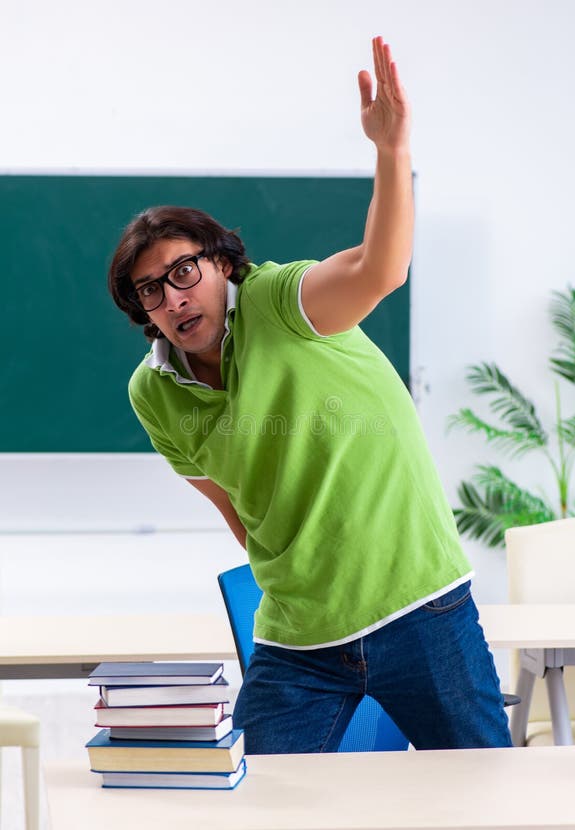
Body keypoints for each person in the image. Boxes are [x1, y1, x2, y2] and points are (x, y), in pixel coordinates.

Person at [108, 38, 512, 752]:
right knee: (257, 796)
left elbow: (380, 269)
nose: (173, 298)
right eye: (151, 290)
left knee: (486, 787)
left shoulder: (279, 302)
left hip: (420, 607)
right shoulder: (154, 393)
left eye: (184, 271)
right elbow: (238, 514)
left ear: (222, 263)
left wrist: (391, 150)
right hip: (298, 641)